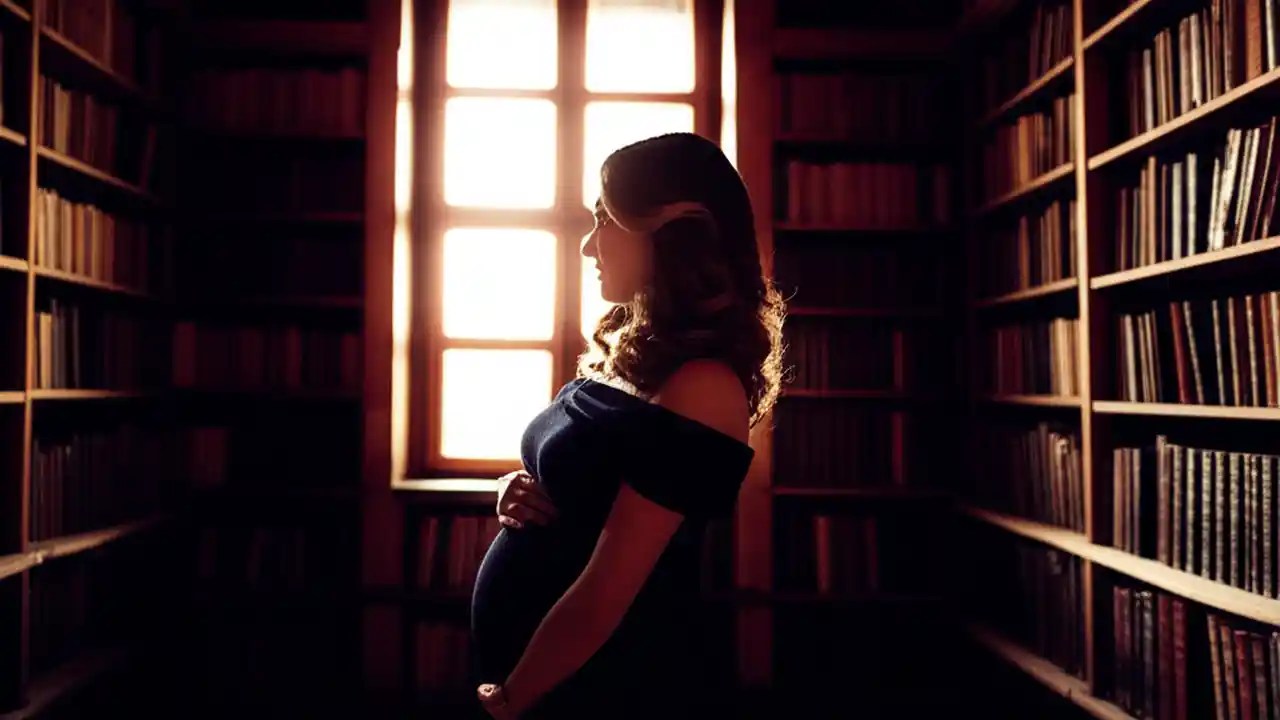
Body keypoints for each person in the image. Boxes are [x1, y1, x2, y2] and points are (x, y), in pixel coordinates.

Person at [470, 132, 785, 719]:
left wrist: (511, 702)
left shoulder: (703, 386)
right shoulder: (633, 351)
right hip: (546, 680)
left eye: (604, 221)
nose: (590, 247)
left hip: (606, 687)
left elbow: (606, 593)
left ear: (670, 231)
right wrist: (517, 488)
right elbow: (590, 484)